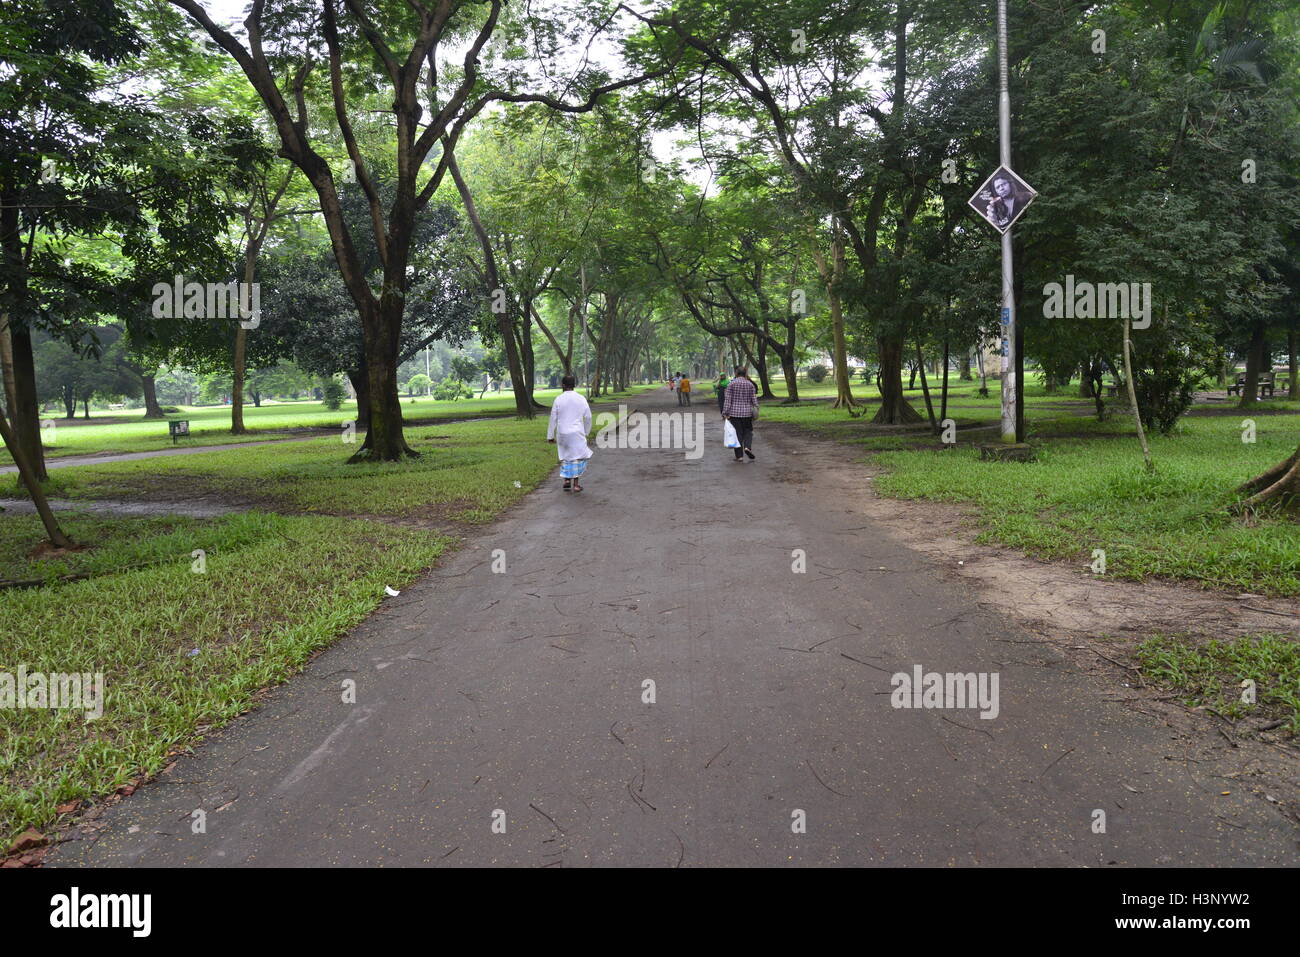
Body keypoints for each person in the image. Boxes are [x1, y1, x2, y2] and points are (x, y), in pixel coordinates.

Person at [547, 374, 592, 492]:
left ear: (563, 385)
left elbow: (553, 418)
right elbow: (588, 417)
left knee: (566, 456)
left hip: (562, 432)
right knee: (577, 458)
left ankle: (566, 480)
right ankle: (576, 485)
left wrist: (550, 436)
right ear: (574, 385)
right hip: (577, 433)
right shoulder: (581, 398)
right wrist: (586, 432)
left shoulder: (558, 399)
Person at [721, 365, 758, 462]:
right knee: (748, 432)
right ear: (745, 373)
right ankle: (747, 447)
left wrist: (725, 413)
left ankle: (739, 456)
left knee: (737, 434)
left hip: (734, 414)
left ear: (736, 373)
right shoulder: (750, 384)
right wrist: (756, 411)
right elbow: (754, 401)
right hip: (747, 413)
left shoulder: (731, 384)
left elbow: (728, 400)